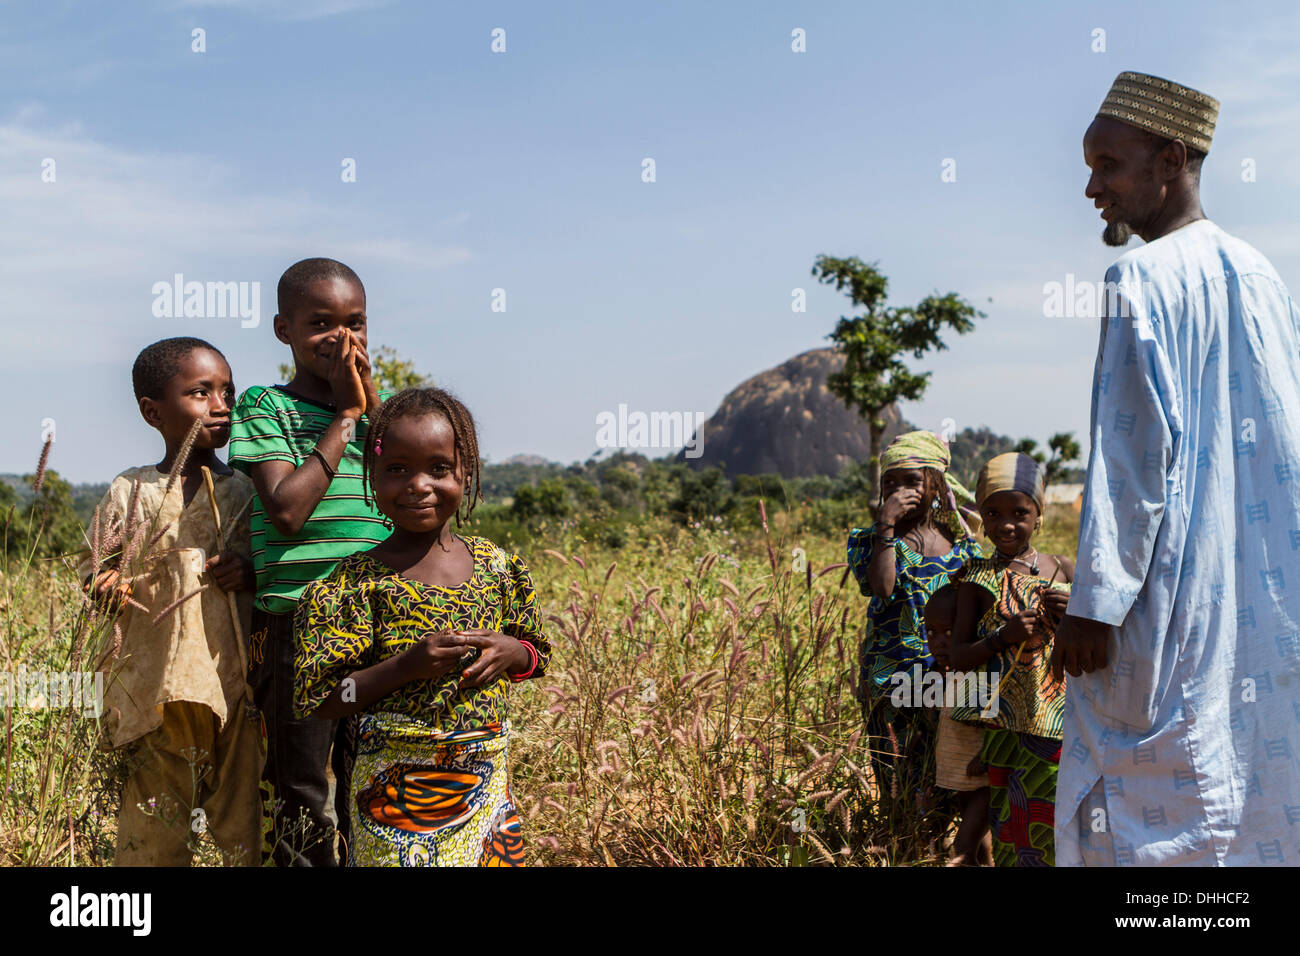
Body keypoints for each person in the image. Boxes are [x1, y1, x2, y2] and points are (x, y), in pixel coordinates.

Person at [1056, 71, 1300, 866]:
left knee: (1142, 814)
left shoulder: (1140, 279)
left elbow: (1132, 462)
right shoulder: (1263, 275)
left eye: (1108, 165)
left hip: (1167, 603)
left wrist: (1095, 608)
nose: (1092, 187)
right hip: (1265, 599)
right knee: (1257, 793)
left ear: (1170, 159)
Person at [293, 388, 549, 866]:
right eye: (397, 469)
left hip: (486, 788)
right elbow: (328, 699)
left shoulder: (499, 568)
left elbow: (536, 655)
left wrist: (514, 651)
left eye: (438, 468)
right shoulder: (350, 585)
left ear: (465, 473)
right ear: (372, 477)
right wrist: (405, 667)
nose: (417, 484)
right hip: (393, 800)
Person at [228, 257, 390, 866]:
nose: (342, 339)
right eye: (320, 323)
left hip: (381, 619)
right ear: (283, 330)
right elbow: (288, 513)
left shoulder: (385, 418)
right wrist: (346, 417)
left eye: (356, 323)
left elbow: (420, 496)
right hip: (297, 622)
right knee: (302, 788)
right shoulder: (266, 407)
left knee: (370, 776)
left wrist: (370, 408)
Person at [85, 337, 262, 865]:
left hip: (236, 687)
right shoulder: (131, 490)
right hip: (156, 694)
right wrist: (108, 586)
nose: (221, 404)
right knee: (154, 827)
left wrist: (248, 572)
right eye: (200, 392)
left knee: (244, 823)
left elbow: (272, 569)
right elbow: (96, 570)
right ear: (152, 411)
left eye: (227, 390)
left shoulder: (250, 491)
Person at [847, 430, 980, 857]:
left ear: (936, 485)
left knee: (951, 780)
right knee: (899, 779)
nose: (898, 492)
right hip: (893, 687)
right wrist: (885, 524)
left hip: (947, 684)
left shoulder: (963, 550)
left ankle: (946, 852)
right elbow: (883, 587)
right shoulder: (873, 542)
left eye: (910, 482)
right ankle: (908, 851)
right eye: (890, 484)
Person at [949, 453, 1073, 866]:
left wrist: (1076, 608)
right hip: (1001, 730)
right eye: (993, 513)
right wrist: (1005, 636)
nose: (1006, 524)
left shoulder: (1063, 571)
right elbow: (959, 658)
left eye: (1020, 512)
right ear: (981, 518)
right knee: (1009, 829)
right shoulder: (975, 578)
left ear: (1039, 514)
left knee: (1055, 822)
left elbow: (1099, 638)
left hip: (1058, 725)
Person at [924, 584, 992, 866]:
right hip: (958, 779)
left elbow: (997, 722)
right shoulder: (935, 674)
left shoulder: (979, 675)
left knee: (962, 848)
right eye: (931, 633)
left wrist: (987, 754)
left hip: (984, 782)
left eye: (950, 632)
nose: (939, 641)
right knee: (980, 851)